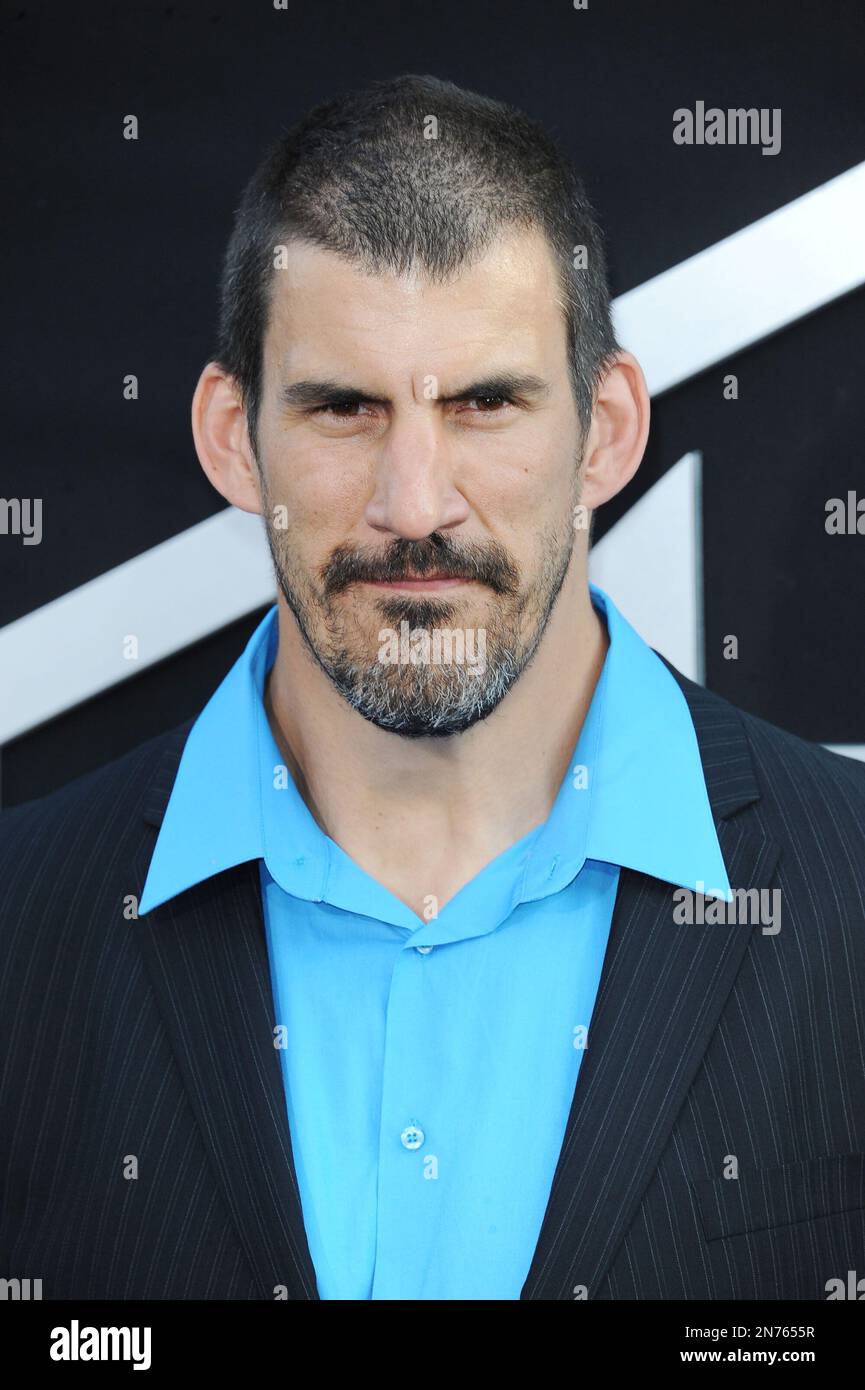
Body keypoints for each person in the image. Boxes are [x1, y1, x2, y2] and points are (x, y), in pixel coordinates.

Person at [1, 74, 863, 1302]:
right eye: (344, 408)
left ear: (607, 428)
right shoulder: (20, 924)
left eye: (486, 403)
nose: (416, 504)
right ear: (232, 438)